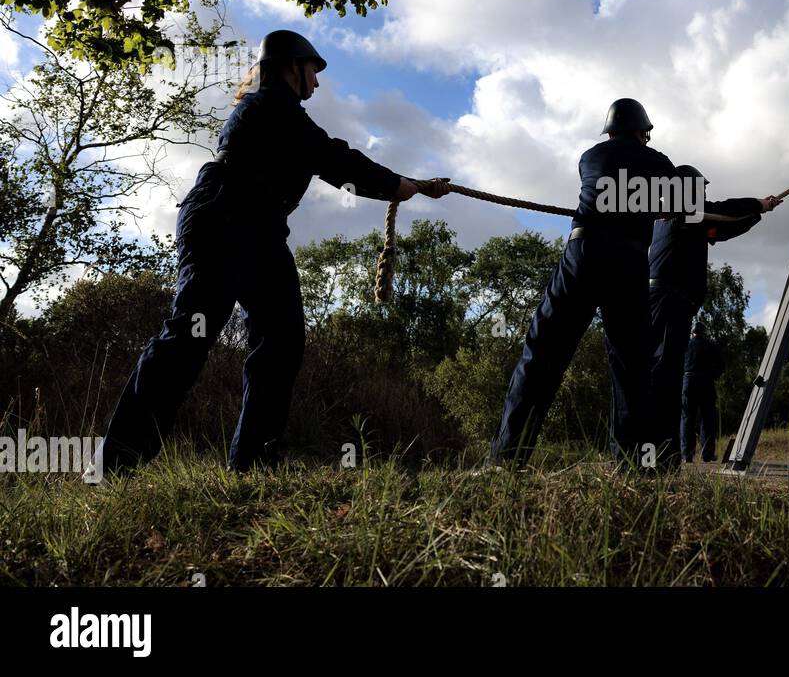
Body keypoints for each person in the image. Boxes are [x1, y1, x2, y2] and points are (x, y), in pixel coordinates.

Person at [92, 30, 449, 477]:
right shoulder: (272, 108)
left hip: (256, 229)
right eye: (312, 72)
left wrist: (405, 184)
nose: (316, 84)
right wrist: (401, 186)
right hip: (225, 222)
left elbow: (333, 162)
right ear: (289, 67)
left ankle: (254, 464)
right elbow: (334, 159)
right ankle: (118, 463)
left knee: (281, 340)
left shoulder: (278, 113)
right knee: (189, 338)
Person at [491, 98, 682, 467]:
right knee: (632, 366)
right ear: (643, 132)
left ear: (610, 131)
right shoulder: (657, 161)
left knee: (542, 351)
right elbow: (677, 205)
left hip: (584, 251)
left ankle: (507, 458)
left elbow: (610, 187)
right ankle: (632, 464)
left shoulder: (589, 157)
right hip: (627, 261)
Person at [644, 164, 779, 467]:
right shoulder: (687, 212)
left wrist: (756, 214)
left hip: (658, 297)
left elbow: (724, 226)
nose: (704, 194)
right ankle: (661, 456)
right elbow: (726, 213)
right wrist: (760, 205)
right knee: (665, 374)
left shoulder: (672, 218)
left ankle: (655, 450)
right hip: (671, 298)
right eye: (700, 189)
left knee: (656, 371)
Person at [681, 321, 726, 462]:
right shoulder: (710, 345)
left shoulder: (684, 345)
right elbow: (721, 365)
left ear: (692, 332)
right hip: (706, 382)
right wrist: (712, 375)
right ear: (704, 332)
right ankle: (707, 454)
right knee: (707, 419)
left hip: (688, 382)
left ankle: (687, 455)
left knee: (687, 419)